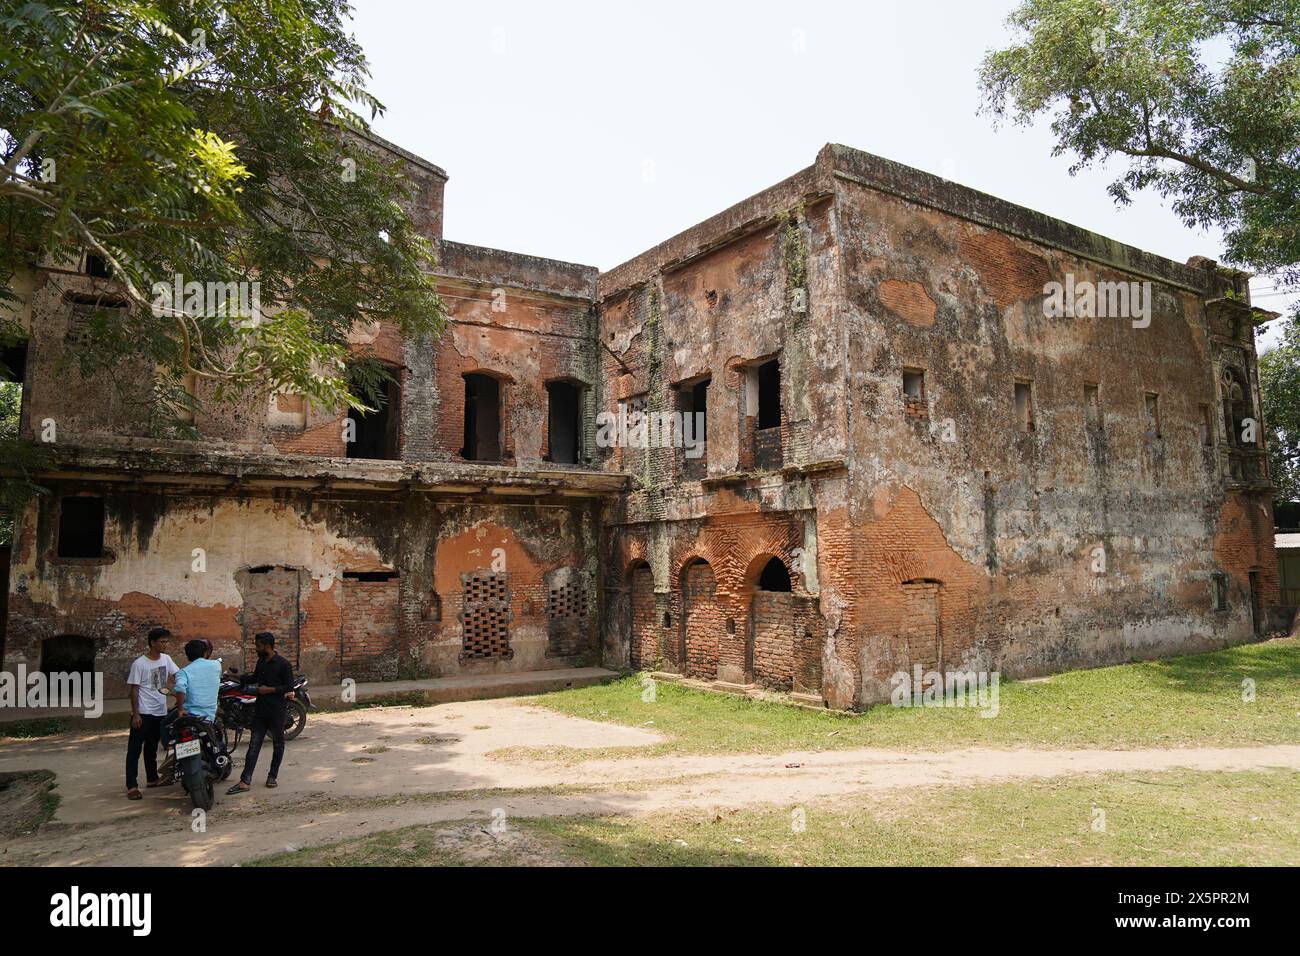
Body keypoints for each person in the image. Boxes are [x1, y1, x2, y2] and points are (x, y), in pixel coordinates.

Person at [226, 632, 294, 794]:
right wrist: (236, 677)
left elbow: (288, 687)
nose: (256, 649)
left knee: (278, 743)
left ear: (267, 646)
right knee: (254, 744)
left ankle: (272, 776)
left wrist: (269, 689)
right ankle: (245, 780)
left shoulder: (283, 664)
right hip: (261, 710)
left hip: (277, 710)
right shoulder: (261, 661)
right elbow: (254, 678)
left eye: (258, 646)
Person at [125, 626, 178, 800]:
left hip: (159, 711)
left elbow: (171, 678)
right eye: (162, 641)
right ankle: (131, 785)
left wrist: (176, 691)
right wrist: (136, 714)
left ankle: (152, 778)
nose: (165, 644)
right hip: (144, 712)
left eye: (166, 641)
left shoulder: (166, 659)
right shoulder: (139, 663)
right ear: (152, 643)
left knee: (152, 748)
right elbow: (134, 690)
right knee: (134, 749)